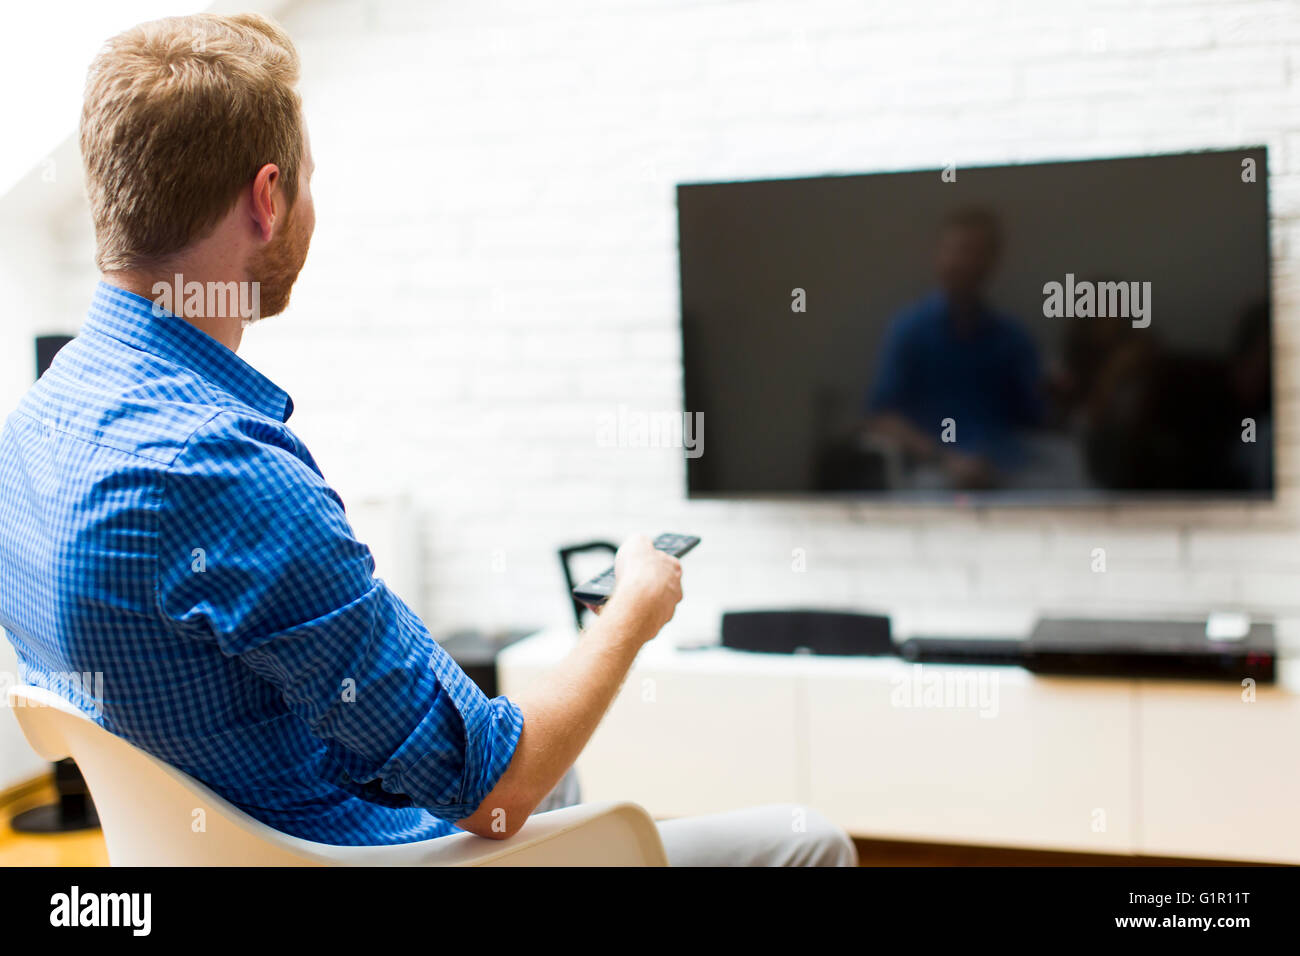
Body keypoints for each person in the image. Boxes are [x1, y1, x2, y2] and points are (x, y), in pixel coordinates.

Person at [0, 13, 854, 867]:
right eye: (306, 181)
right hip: (354, 855)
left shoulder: (31, 433)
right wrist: (628, 614)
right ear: (267, 200)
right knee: (807, 840)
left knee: (561, 783)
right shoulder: (224, 470)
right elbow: (496, 792)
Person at [865, 207, 1044, 490]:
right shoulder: (909, 329)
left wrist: (1052, 392)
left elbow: (1033, 415)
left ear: (991, 262)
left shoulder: (1012, 336)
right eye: (955, 251)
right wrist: (945, 458)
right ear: (939, 255)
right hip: (932, 472)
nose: (962, 263)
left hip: (1007, 470)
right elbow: (882, 417)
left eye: (974, 253)